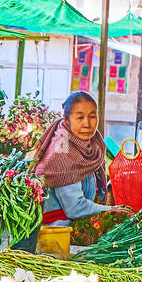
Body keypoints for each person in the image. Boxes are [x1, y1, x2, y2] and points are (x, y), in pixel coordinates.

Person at [33, 91, 116, 226]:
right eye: (80, 117)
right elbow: (75, 208)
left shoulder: (90, 144)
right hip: (59, 230)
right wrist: (112, 210)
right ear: (66, 119)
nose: (87, 124)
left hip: (76, 222)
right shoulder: (62, 151)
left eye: (92, 116)